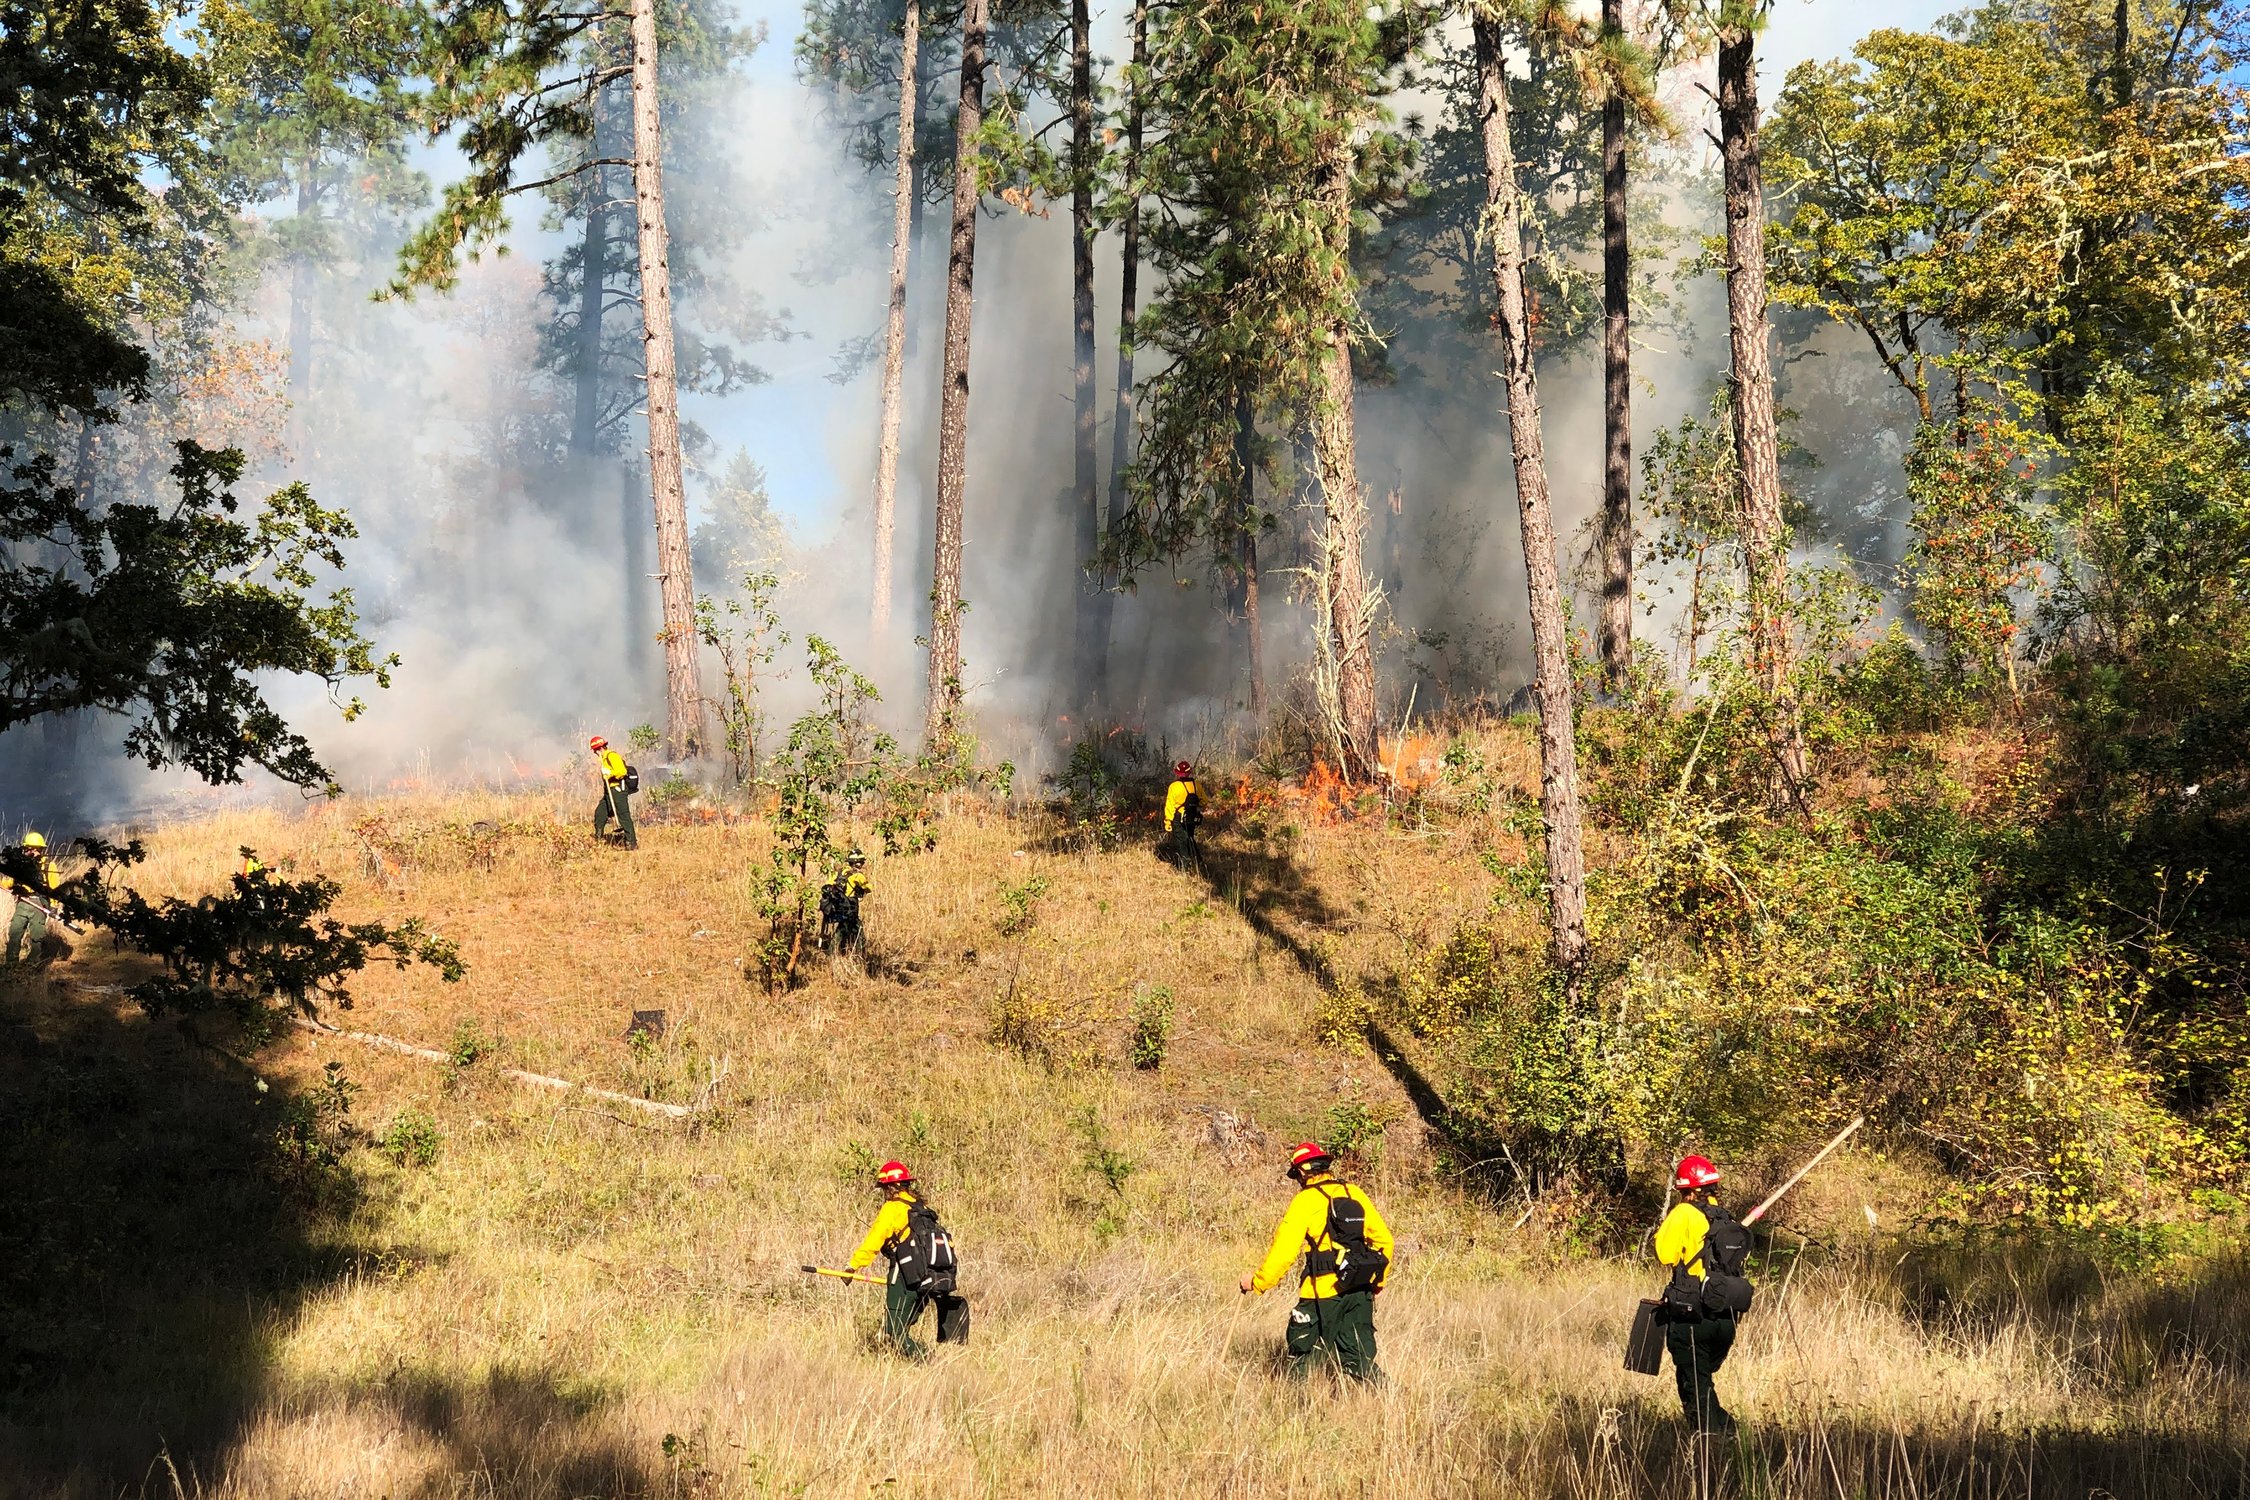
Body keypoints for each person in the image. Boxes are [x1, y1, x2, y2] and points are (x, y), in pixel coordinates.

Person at [1239, 1141, 1393, 1382]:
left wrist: (1257, 1282)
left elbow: (1284, 1252)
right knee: (1358, 1358)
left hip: (1322, 1293)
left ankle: (1295, 1404)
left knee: (1303, 1358)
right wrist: (1376, 1283)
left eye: (1296, 1175)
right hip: (1360, 1290)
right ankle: (1388, 1396)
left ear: (1302, 1171)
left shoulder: (1305, 1201)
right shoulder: (1354, 1192)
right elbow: (1385, 1241)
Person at [844, 1159, 968, 1356]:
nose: (884, 1192)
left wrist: (853, 1266)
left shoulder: (893, 1208)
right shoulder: (921, 1207)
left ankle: (926, 1360)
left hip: (904, 1276)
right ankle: (912, 1362)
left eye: (885, 1187)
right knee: (903, 1327)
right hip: (928, 1278)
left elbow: (874, 1239)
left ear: (892, 1186)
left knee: (894, 1331)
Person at [1656, 1154, 1742, 1433]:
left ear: (1687, 1189)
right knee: (1700, 1380)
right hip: (1726, 1317)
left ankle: (1715, 1440)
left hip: (1692, 1314)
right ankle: (1725, 1434)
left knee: (1693, 1384)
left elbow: (1665, 1255)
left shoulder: (1683, 1213)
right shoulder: (1725, 1217)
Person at [3, 832, 58, 966]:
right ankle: (11, 964)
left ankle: (32, 964)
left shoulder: (48, 865)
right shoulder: (20, 866)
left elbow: (55, 888)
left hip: (40, 903)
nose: (32, 852)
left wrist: (54, 905)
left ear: (41, 850)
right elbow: (9, 883)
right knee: (15, 932)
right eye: (29, 849)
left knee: (37, 936)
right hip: (23, 903)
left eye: (36, 849)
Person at [819, 849, 871, 956]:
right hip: (850, 909)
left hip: (838, 907)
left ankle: (835, 952)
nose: (862, 864)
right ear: (856, 863)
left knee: (842, 928)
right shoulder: (858, 876)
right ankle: (861, 955)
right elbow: (868, 888)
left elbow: (828, 884)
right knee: (857, 931)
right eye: (861, 862)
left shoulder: (840, 872)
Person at [590, 735, 637, 849]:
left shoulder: (612, 756)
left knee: (623, 816)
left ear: (599, 749)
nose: (595, 753)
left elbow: (622, 771)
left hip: (618, 790)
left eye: (595, 750)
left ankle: (631, 843)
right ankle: (598, 840)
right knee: (600, 813)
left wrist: (609, 773)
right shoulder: (604, 758)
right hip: (609, 792)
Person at [1162, 760, 1202, 858]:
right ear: (1189, 772)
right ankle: (1197, 860)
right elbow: (1204, 801)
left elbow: (1170, 806)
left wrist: (1168, 822)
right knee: (1190, 837)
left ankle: (1185, 863)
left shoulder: (1174, 786)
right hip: (1192, 816)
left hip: (1178, 817)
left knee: (1181, 841)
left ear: (1177, 773)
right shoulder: (1196, 784)